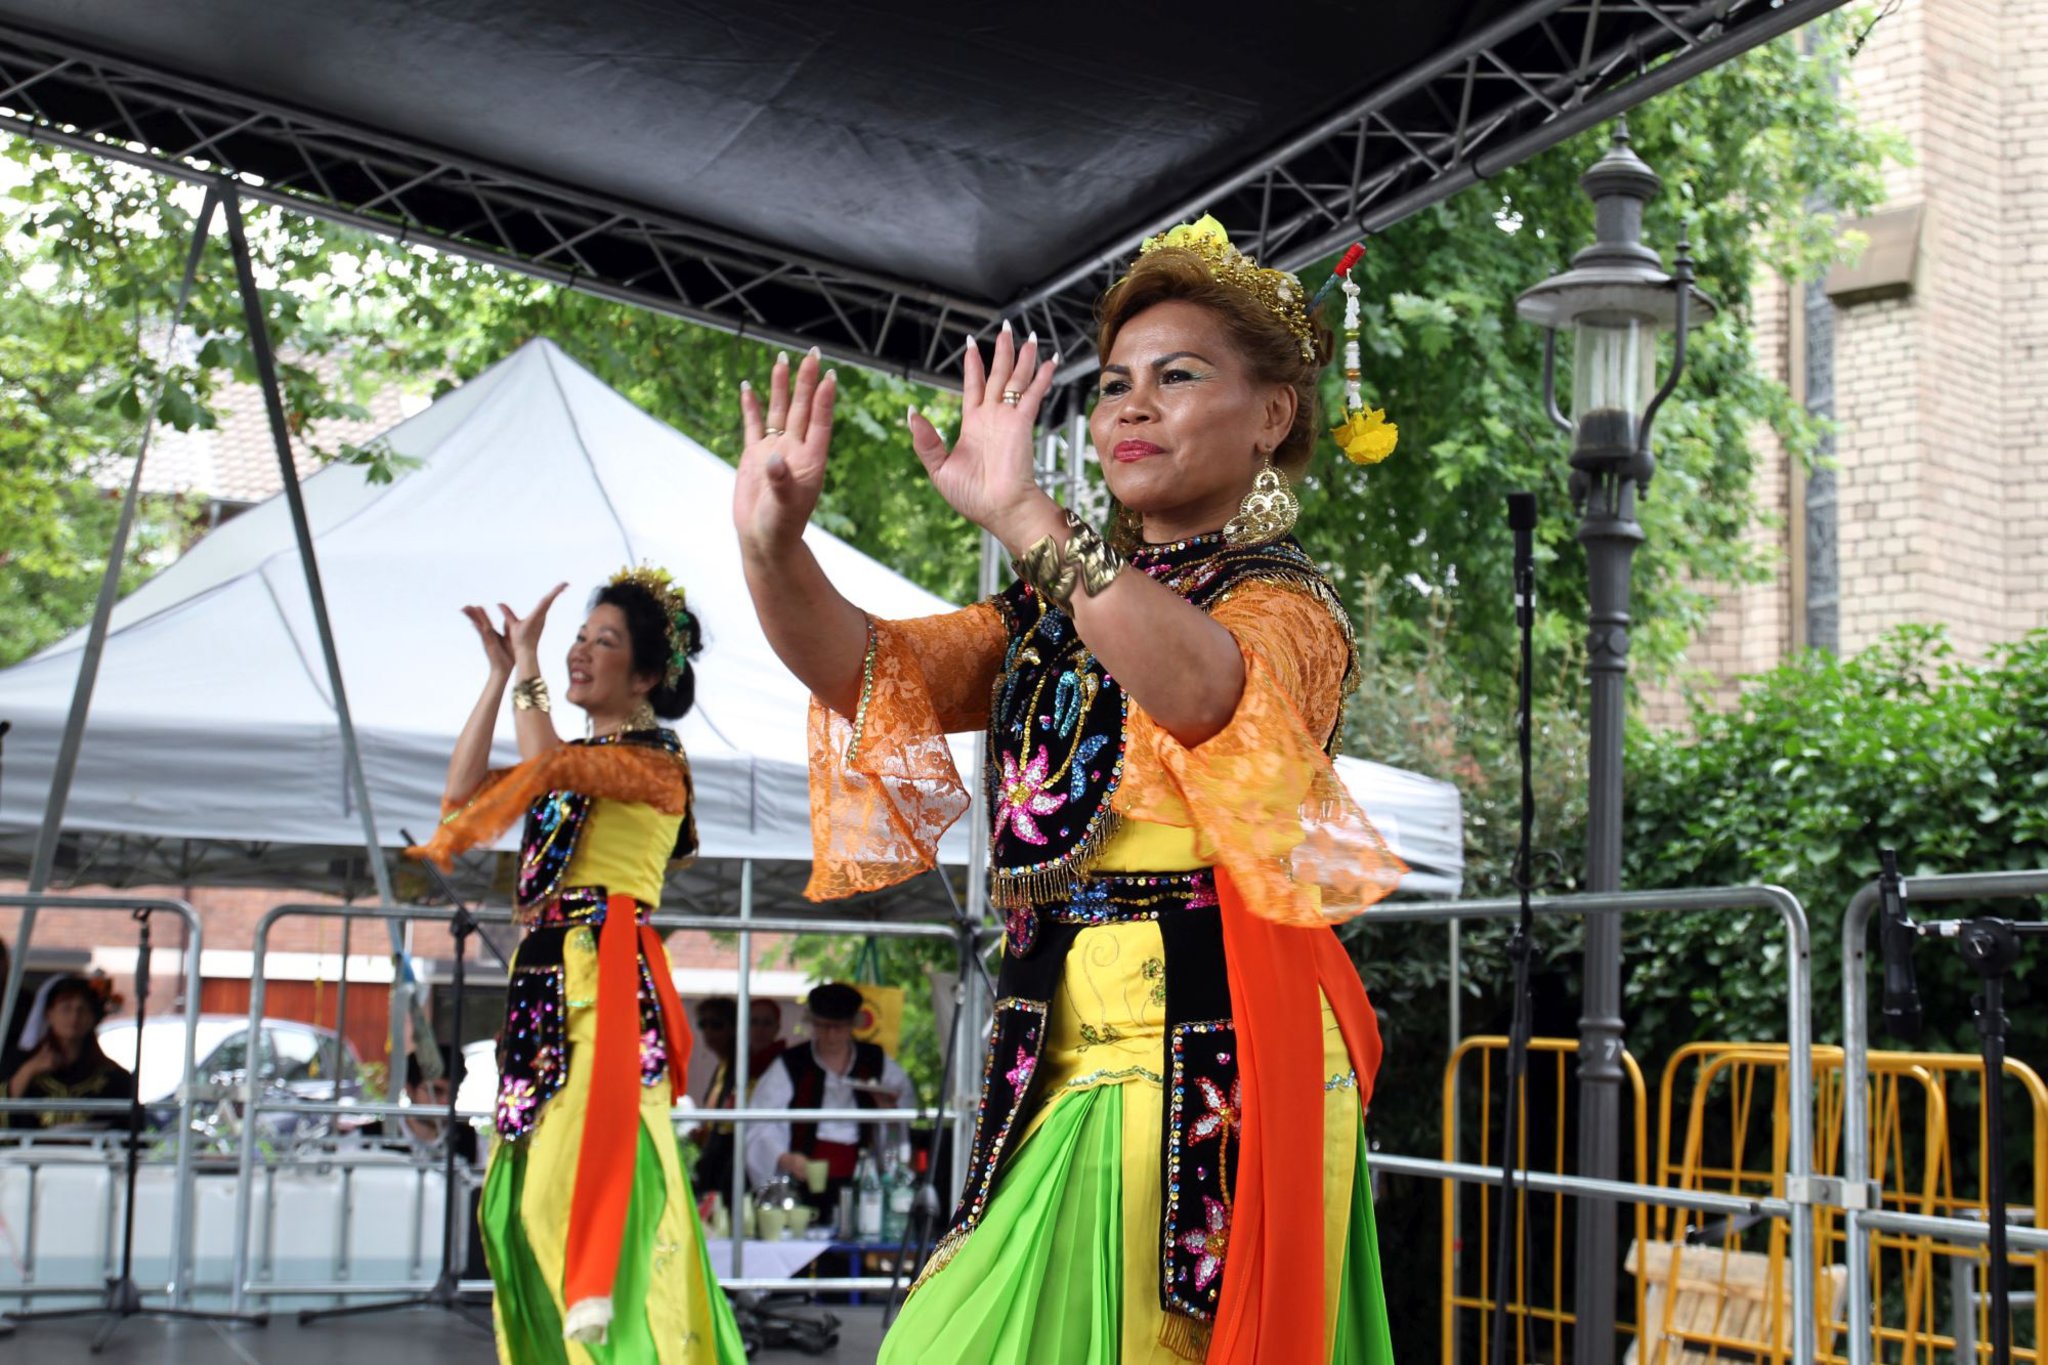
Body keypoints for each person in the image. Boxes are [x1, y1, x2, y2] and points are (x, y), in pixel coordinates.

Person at [735, 218, 1406, 1362]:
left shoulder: (1285, 608)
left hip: (1196, 1058)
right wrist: (771, 546)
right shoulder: (1049, 615)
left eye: (1176, 377)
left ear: (1272, 416)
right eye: (1112, 387)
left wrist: (1024, 521)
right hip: (1046, 1052)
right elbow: (869, 667)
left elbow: (1202, 693)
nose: (1129, 408)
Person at [410, 566, 743, 1364]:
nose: (580, 651)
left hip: (606, 994)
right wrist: (499, 675)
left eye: (605, 640)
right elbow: (459, 799)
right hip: (541, 990)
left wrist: (527, 672)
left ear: (649, 674)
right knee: (529, 1208)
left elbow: (552, 766)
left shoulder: (656, 765)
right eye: (580, 636)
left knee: (581, 1200)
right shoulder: (569, 759)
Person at [743, 982, 911, 1213]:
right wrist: (783, 1157)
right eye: (822, 1026)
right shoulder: (792, 1064)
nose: (830, 1035)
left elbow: (905, 1109)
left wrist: (888, 1109)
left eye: (838, 1027)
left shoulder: (875, 1061)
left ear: (853, 1025)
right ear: (812, 1023)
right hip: (803, 1177)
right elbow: (761, 1120)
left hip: (863, 1177)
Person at [4, 973, 135, 1130]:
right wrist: (28, 1071)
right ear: (49, 1014)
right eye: (66, 1008)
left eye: (82, 1009)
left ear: (93, 1017)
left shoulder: (114, 1076)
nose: (74, 1016)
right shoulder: (17, 1063)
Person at [687, 995, 783, 1201]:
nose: (709, 1032)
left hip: (741, 1151)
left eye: (717, 1025)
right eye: (703, 1025)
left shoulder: (754, 1062)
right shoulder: (728, 1063)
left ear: (734, 1027)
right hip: (720, 1149)